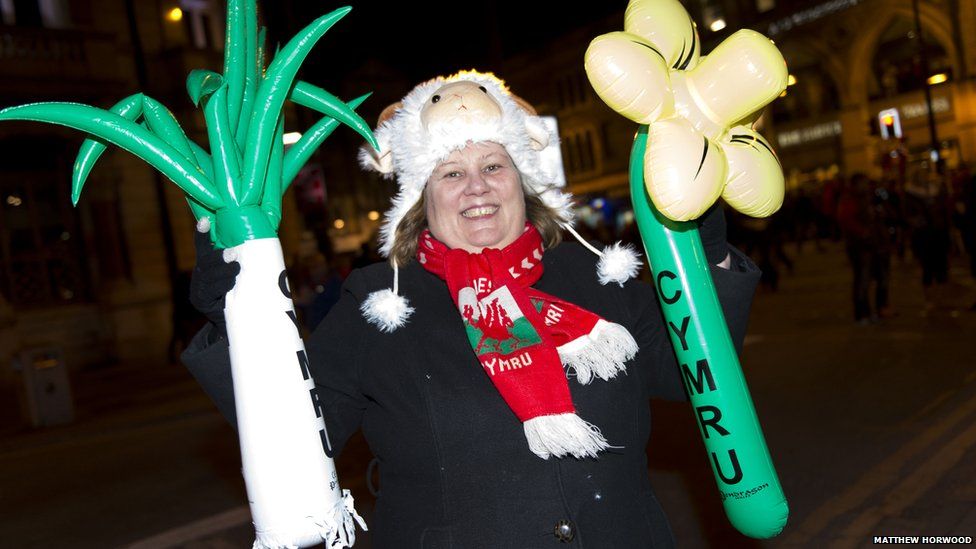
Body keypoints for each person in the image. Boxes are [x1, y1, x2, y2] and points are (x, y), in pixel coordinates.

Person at [182, 70, 760, 548]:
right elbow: (293, 435)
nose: (476, 187)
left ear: (522, 180)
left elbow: (694, 376)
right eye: (452, 173)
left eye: (493, 166)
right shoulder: (378, 303)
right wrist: (233, 313)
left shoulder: (597, 276)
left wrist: (700, 247)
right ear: (420, 198)